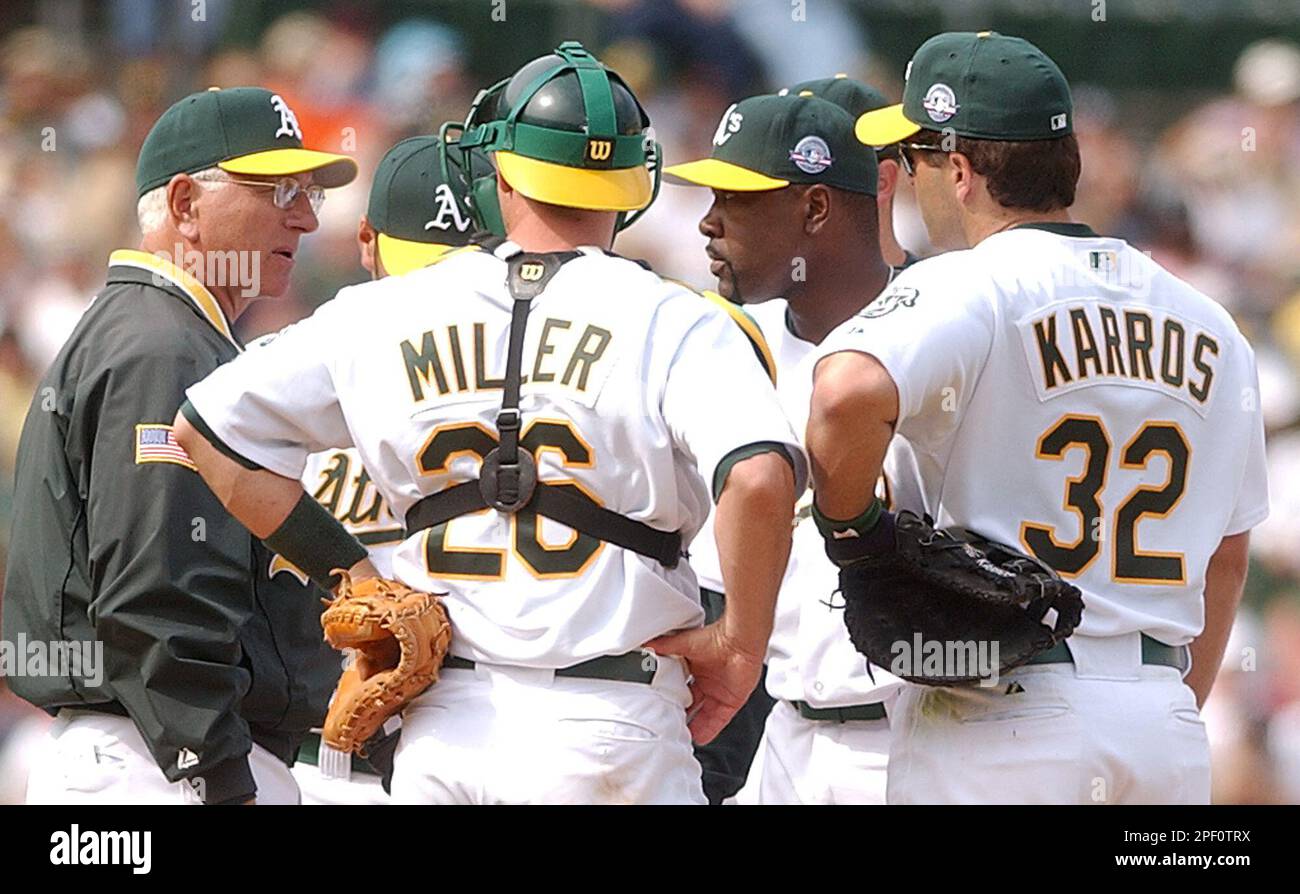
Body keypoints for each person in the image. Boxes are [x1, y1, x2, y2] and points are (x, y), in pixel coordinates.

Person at [173, 41, 804, 805]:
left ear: (497, 170)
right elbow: (761, 477)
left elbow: (204, 430)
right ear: (634, 183)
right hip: (613, 719)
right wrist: (739, 646)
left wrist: (353, 569)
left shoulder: (384, 310)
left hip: (446, 729)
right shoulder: (676, 318)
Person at [807, 31, 1268, 804]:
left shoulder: (974, 285)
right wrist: (1165, 698)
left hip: (1004, 712)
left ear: (956, 171)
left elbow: (843, 393)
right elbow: (1226, 553)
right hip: (1161, 720)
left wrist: (854, 528)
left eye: (914, 159)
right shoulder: (1212, 322)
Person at [3, 86, 357, 805]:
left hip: (145, 751)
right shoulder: (163, 348)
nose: (308, 216)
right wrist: (219, 774)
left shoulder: (161, 332)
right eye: (279, 188)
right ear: (186, 204)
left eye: (311, 192)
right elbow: (156, 595)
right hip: (157, 762)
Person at [664, 83, 912, 804]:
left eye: (737, 200)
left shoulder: (944, 331)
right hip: (780, 737)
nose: (708, 224)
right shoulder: (720, 346)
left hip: (924, 737)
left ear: (814, 208)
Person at [290, 134, 490, 805]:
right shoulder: (293, 372)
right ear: (364, 241)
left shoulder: (283, 373)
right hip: (316, 753)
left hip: (462, 744)